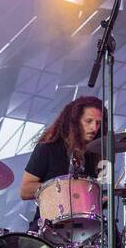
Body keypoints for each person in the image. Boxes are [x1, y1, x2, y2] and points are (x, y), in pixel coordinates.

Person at [18, 95, 105, 231]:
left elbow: (102, 194)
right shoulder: (48, 147)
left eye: (98, 123)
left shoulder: (97, 154)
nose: (94, 128)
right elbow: (25, 190)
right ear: (74, 122)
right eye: (88, 121)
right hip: (49, 226)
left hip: (87, 230)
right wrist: (67, 190)